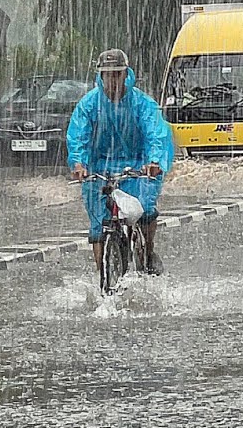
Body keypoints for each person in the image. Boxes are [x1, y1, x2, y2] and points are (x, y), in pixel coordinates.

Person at [67, 49, 173, 275]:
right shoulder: (88, 105)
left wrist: (153, 161)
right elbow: (78, 136)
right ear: (100, 76)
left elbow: (156, 134)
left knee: (144, 209)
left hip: (138, 165)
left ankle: (147, 251)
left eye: (117, 74)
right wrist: (78, 164)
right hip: (98, 168)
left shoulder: (142, 104)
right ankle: (104, 275)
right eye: (108, 75)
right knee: (99, 224)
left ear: (126, 74)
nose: (112, 80)